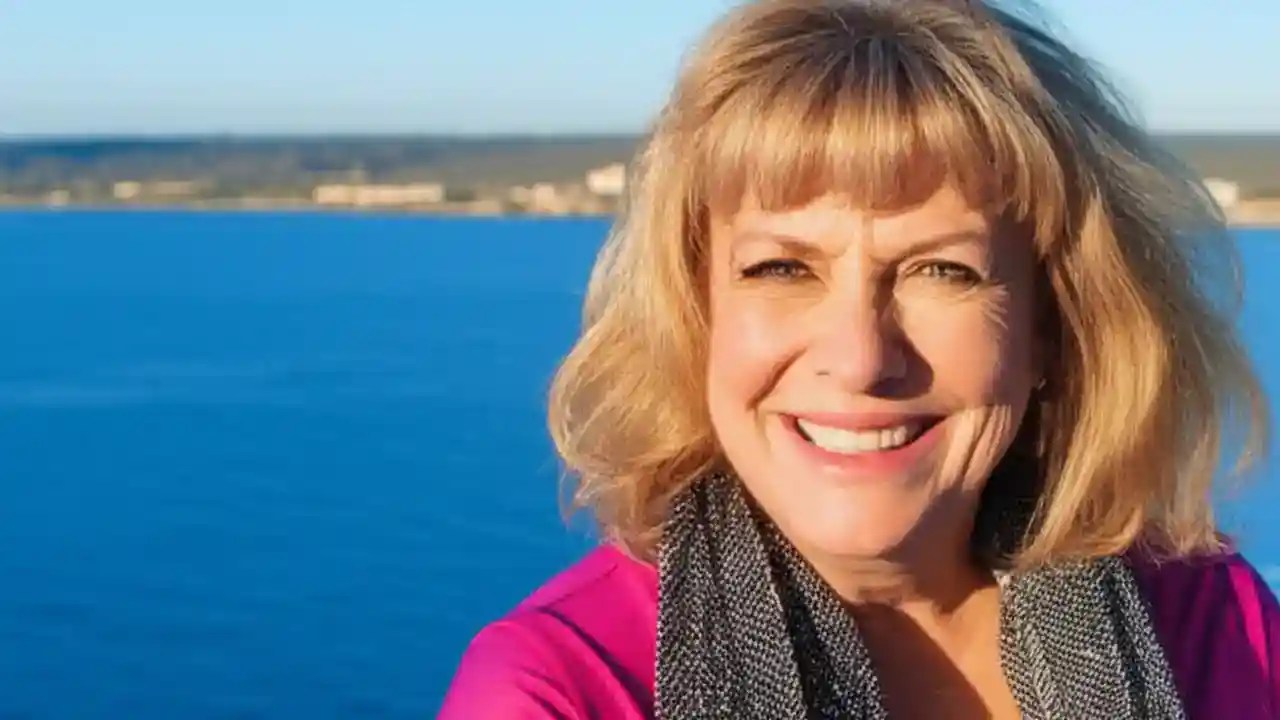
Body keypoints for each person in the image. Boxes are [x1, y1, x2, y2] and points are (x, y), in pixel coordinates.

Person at [439, 0, 1278, 717]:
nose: (860, 358)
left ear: (1051, 327)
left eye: (942, 271)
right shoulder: (565, 689)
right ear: (696, 315)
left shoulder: (1208, 624)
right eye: (783, 268)